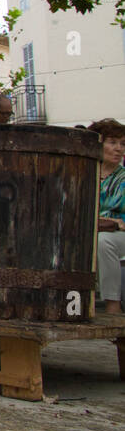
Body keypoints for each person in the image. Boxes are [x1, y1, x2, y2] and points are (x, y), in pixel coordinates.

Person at [90, 118, 125, 314]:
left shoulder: (124, 178)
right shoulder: (86, 173)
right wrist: (111, 221)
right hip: (91, 232)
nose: (119, 149)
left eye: (123, 143)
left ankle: (113, 304)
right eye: (112, 142)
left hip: (118, 237)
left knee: (104, 241)